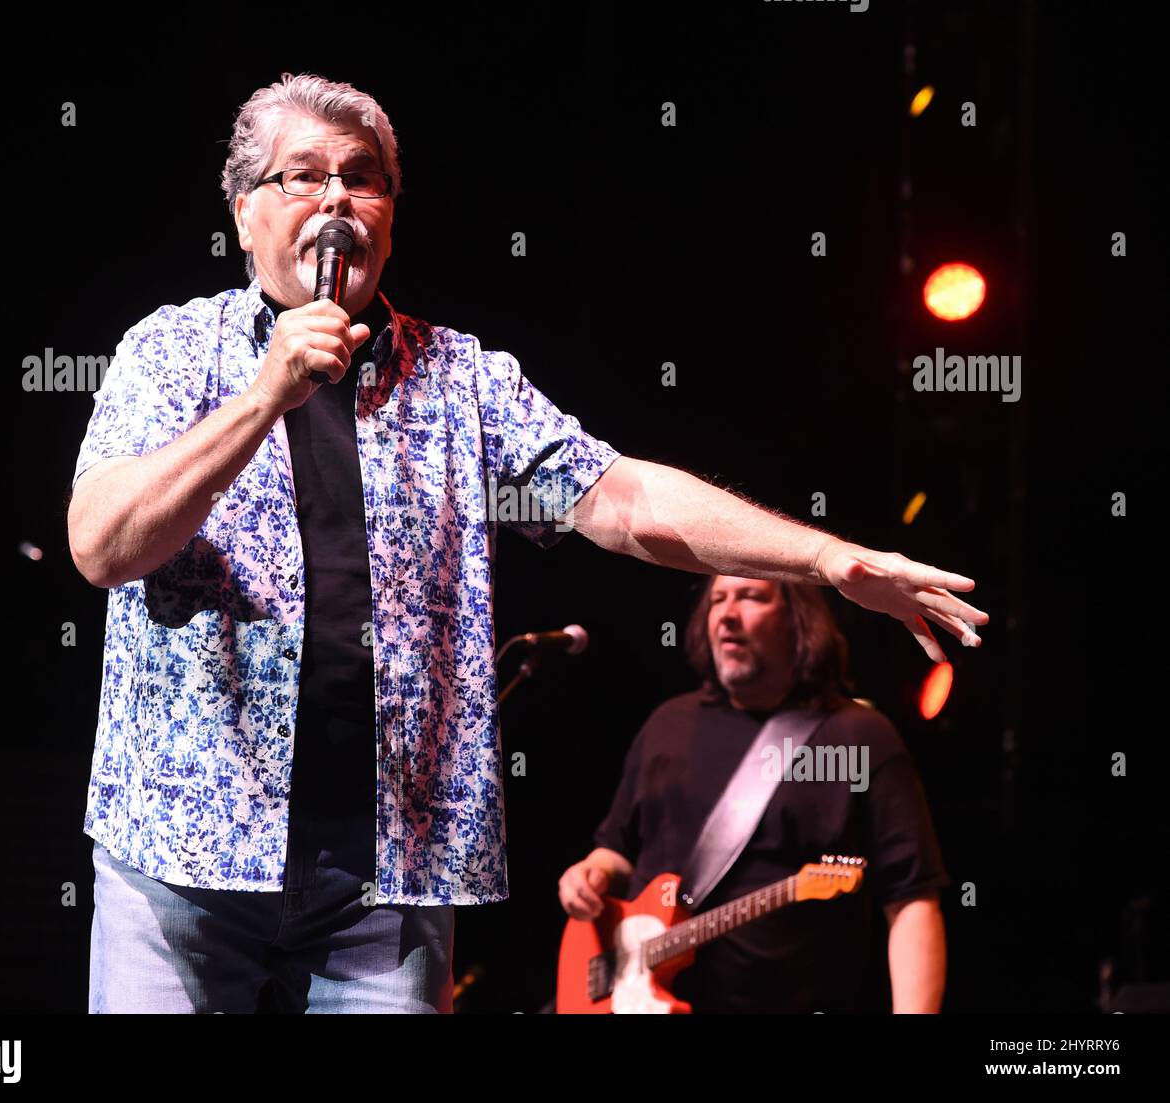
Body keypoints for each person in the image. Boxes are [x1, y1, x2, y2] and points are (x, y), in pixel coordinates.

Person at [67, 71, 984, 1014]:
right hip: (179, 858)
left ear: (390, 211)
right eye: (302, 176)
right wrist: (266, 396)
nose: (339, 196)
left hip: (388, 881)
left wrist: (831, 560)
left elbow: (624, 499)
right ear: (244, 212)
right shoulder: (169, 353)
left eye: (363, 176)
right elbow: (101, 546)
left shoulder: (460, 377)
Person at [558, 575, 949, 1013]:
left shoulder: (857, 737)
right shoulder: (668, 723)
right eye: (717, 600)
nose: (726, 614)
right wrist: (589, 874)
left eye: (750, 597)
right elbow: (615, 851)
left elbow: (912, 898)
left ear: (797, 619)